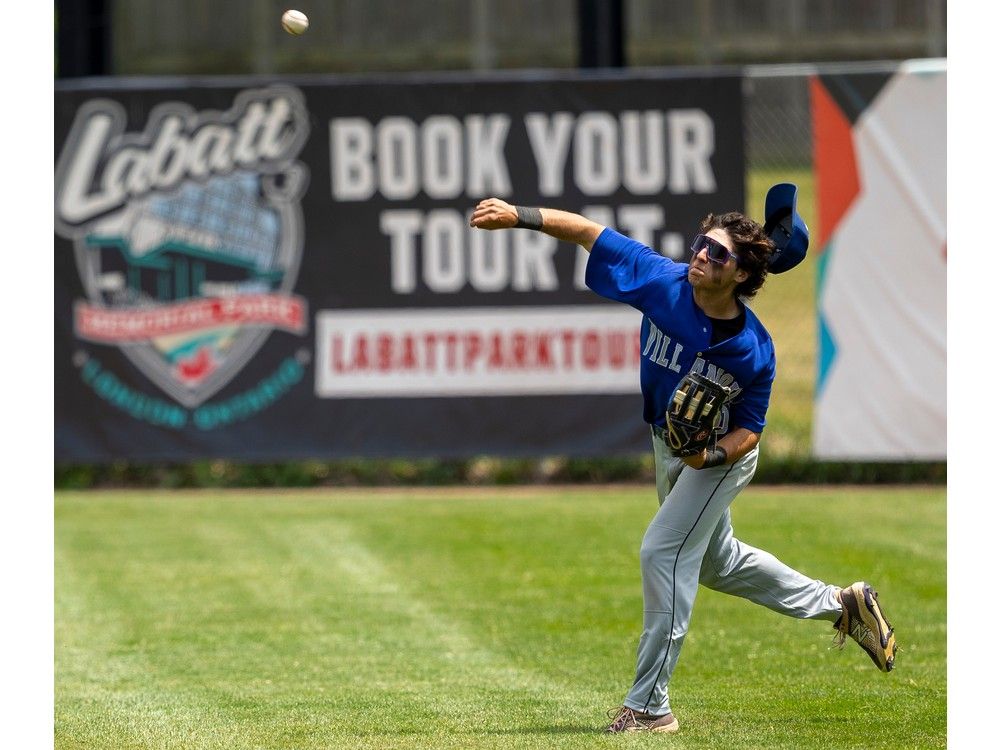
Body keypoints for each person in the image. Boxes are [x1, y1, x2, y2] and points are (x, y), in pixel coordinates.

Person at [469, 195, 897, 734]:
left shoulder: (751, 349)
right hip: (669, 442)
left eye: (717, 256)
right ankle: (841, 605)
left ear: (741, 275)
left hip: (718, 457)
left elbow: (750, 431)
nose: (700, 258)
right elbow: (586, 230)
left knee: (663, 552)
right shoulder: (663, 281)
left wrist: (709, 455)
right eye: (702, 245)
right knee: (720, 564)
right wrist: (518, 216)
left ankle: (650, 708)